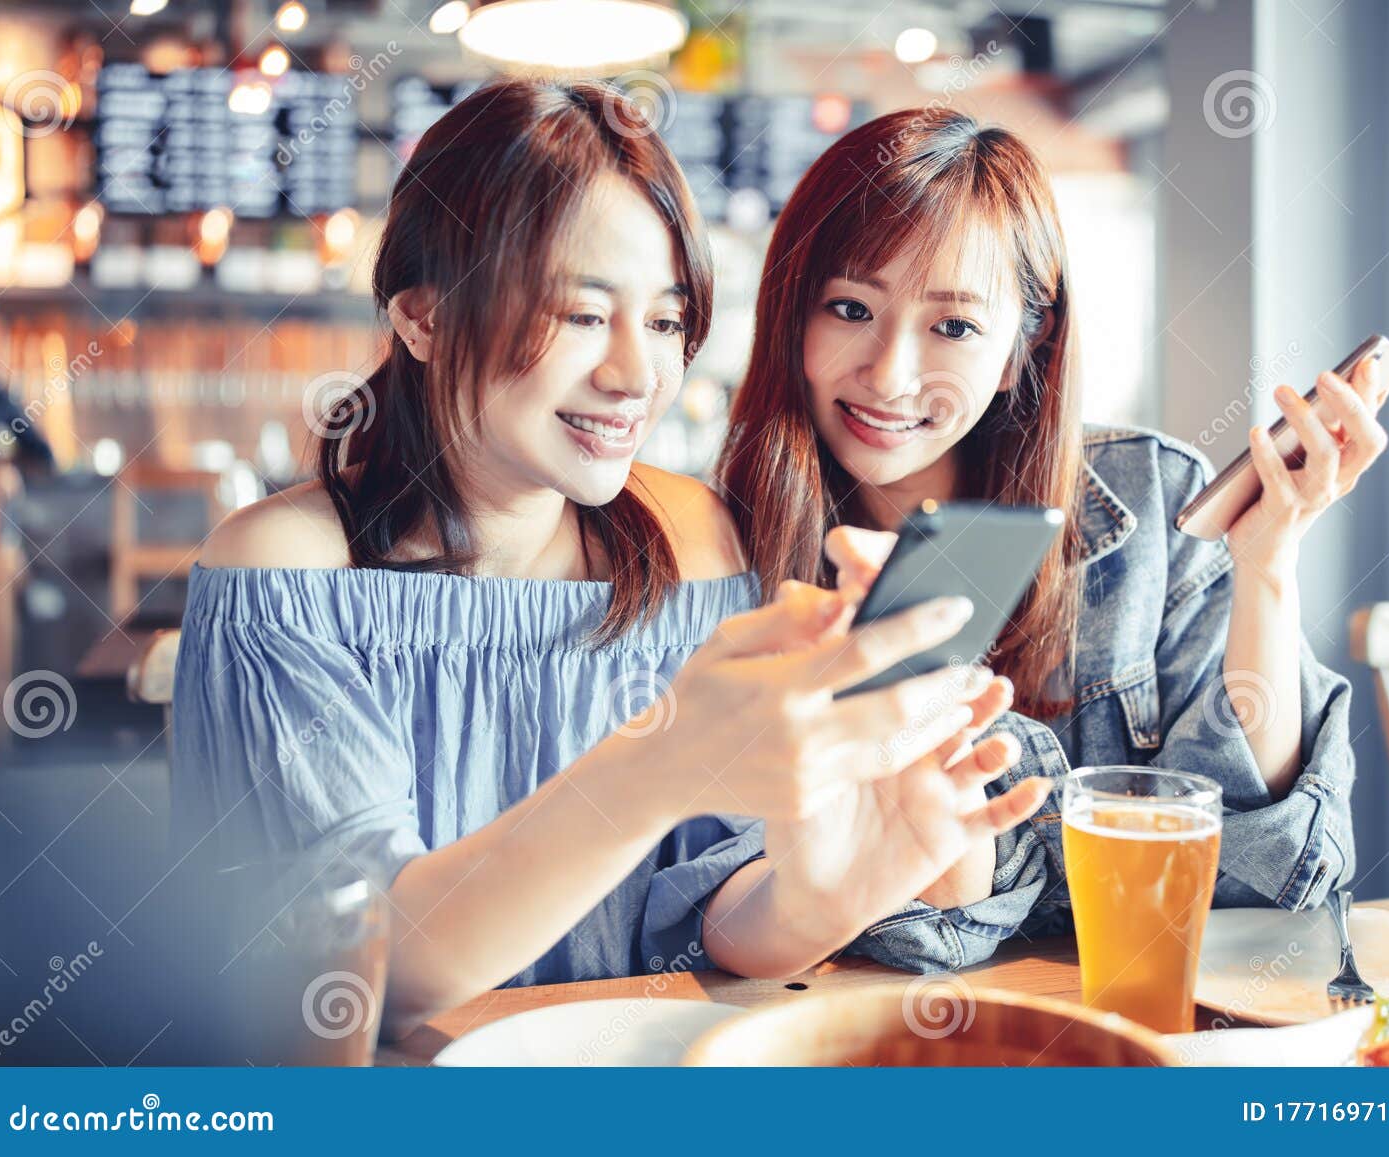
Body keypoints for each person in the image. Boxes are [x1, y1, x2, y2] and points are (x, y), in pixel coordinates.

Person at [173, 81, 1051, 1032]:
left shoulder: (699, 544)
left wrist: (825, 896)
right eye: (584, 313)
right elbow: (366, 968)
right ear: (422, 317)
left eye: (667, 321)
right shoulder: (290, 572)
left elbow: (706, 916)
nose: (637, 375)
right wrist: (658, 761)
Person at [718, 108, 1386, 970]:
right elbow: (728, 902)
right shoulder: (725, 550)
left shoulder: (1151, 501)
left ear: (1020, 345)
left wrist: (1268, 568)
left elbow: (1255, 873)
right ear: (790, 315)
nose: (890, 375)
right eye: (850, 307)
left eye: (953, 326)